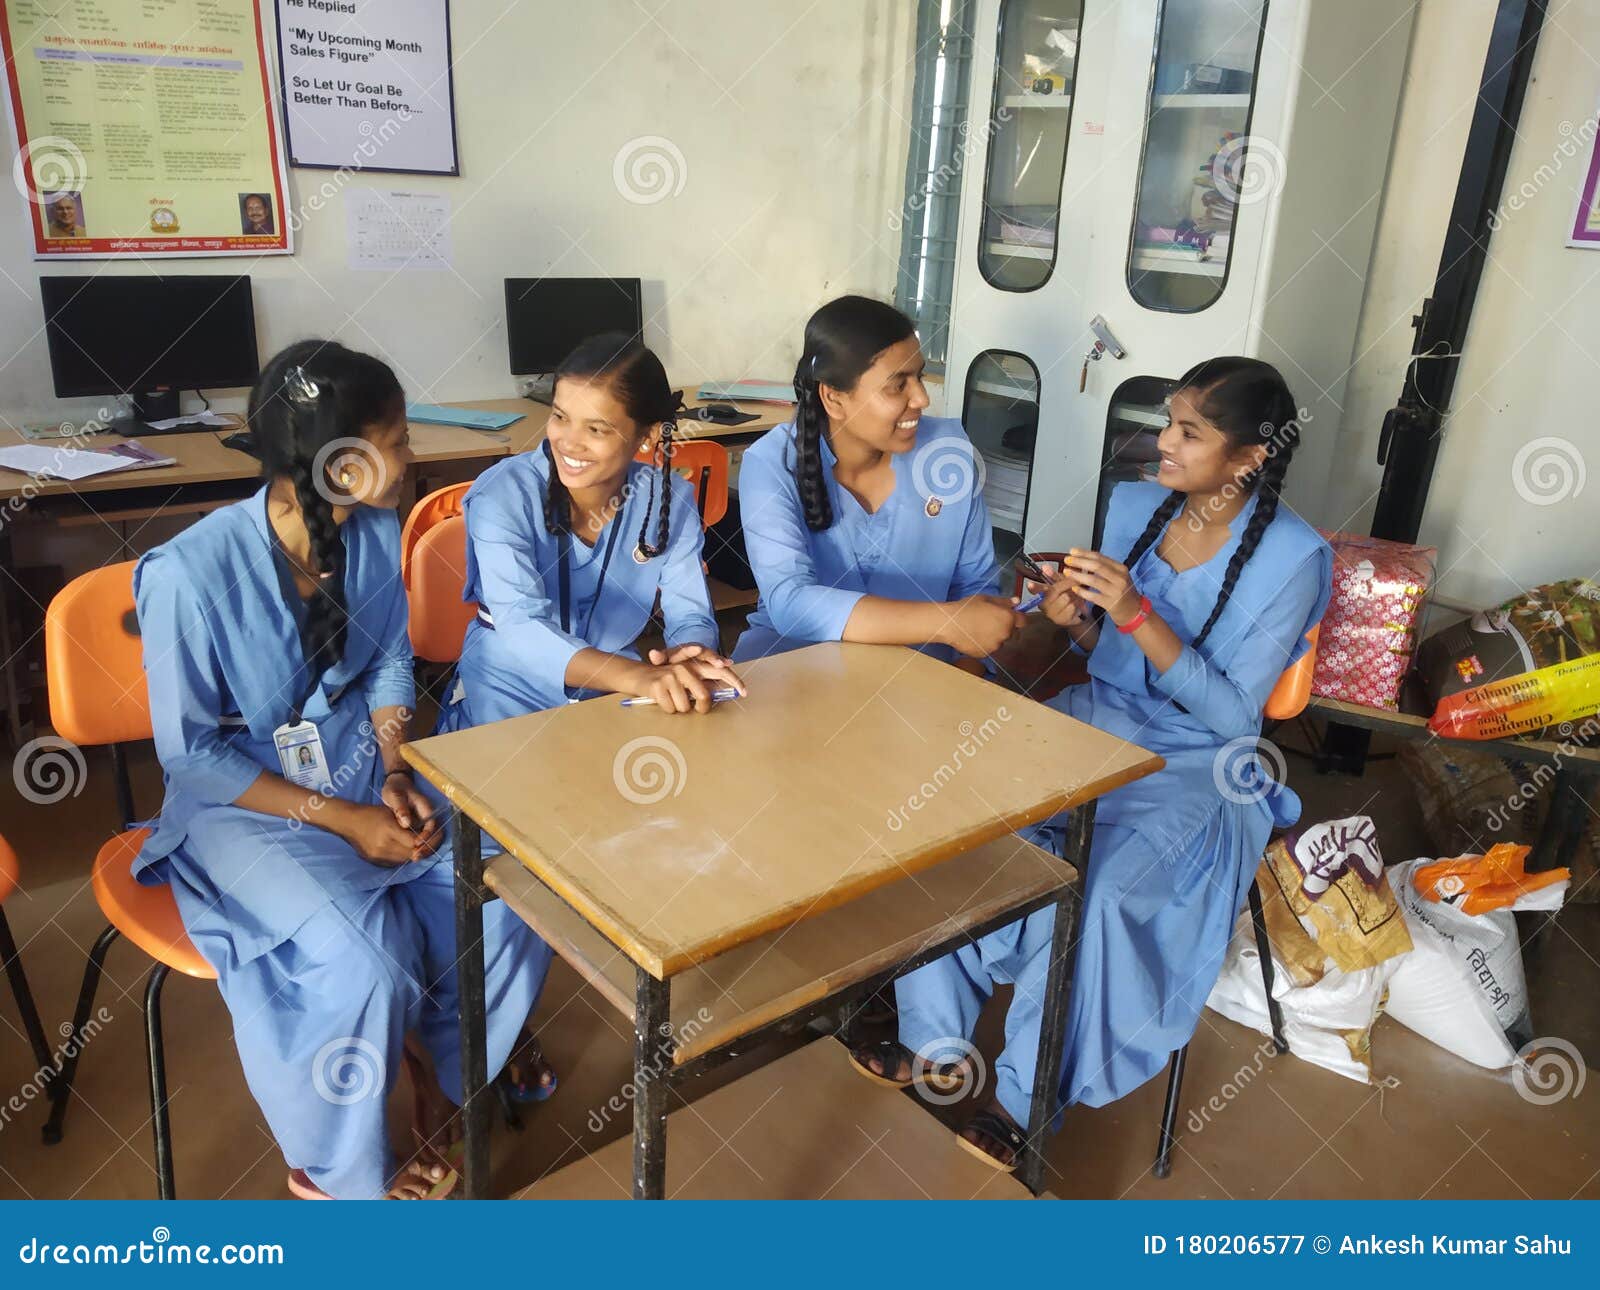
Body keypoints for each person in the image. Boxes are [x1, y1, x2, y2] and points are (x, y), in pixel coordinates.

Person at [851, 357, 1333, 1172]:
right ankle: (934, 1040)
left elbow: (1233, 717)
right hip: (1095, 722)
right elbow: (1109, 657)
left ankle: (1022, 1097)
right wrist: (1075, 618)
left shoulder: (1295, 557)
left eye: (1189, 432)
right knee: (958, 823)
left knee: (1100, 890)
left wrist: (1136, 610)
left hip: (1203, 767)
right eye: (1167, 421)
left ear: (1250, 456)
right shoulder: (1138, 504)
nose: (1162, 443)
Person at [134, 339, 548, 1199]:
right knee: (363, 957)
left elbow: (393, 662)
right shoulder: (185, 573)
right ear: (341, 460)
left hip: (358, 761)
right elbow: (192, 755)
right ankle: (337, 1162)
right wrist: (347, 821)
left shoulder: (373, 529)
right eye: (396, 439)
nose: (411, 455)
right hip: (240, 796)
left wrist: (393, 773)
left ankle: (445, 1069)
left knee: (512, 892)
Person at [438, 332, 743, 731]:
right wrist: (638, 677)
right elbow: (521, 627)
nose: (569, 442)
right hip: (508, 688)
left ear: (647, 436)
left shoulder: (669, 497)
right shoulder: (501, 495)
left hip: (613, 692)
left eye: (596, 429)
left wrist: (691, 651)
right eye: (560, 416)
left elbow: (689, 611)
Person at [731, 295, 1020, 672]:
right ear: (834, 398)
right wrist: (948, 623)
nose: (921, 397)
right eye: (897, 385)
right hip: (794, 666)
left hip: (919, 675)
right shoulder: (771, 464)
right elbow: (792, 603)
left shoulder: (947, 454)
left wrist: (965, 683)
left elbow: (974, 587)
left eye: (919, 376)